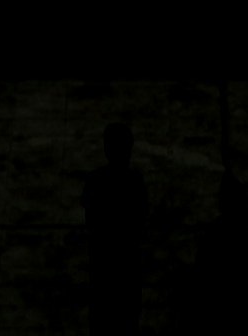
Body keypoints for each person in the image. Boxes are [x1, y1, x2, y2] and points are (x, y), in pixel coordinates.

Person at [83, 108, 149, 336]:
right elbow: (140, 223)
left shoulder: (94, 182)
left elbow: (90, 223)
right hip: (126, 267)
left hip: (103, 267)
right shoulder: (135, 182)